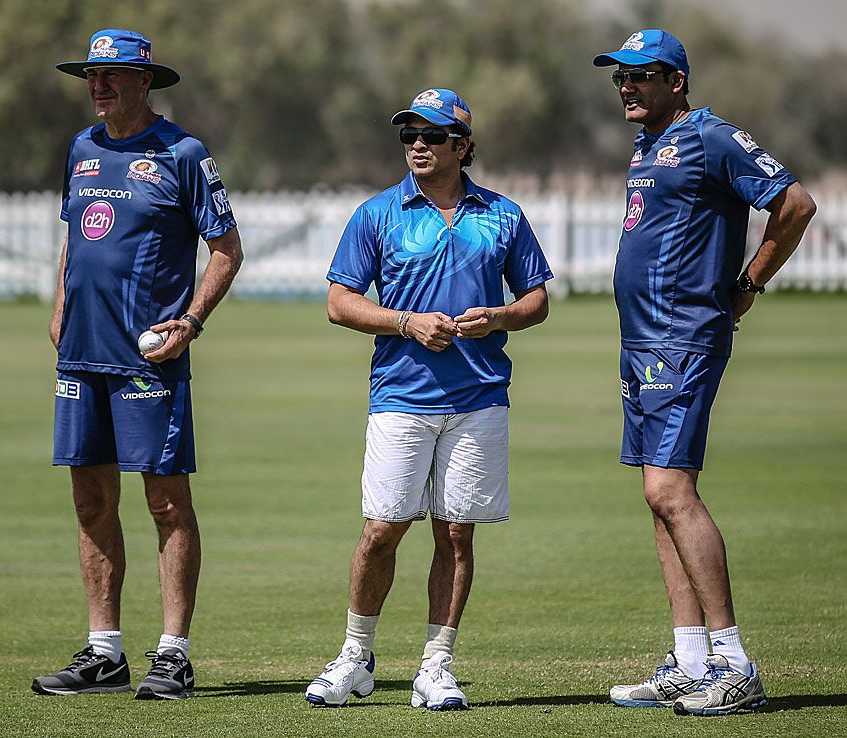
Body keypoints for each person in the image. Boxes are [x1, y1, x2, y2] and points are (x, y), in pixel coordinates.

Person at [304, 88, 552, 710]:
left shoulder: (503, 215)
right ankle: (355, 657)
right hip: (401, 397)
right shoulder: (377, 214)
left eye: (433, 136)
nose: (418, 144)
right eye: (409, 135)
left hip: (480, 397)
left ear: (463, 147)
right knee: (382, 530)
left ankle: (436, 667)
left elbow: (537, 300)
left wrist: (498, 317)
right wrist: (407, 322)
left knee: (457, 535)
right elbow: (340, 302)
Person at [593, 30, 816, 716]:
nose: (627, 86)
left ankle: (734, 663)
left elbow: (795, 204)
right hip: (644, 343)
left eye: (642, 75)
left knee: (671, 491)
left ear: (677, 81)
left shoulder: (712, 137)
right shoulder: (648, 144)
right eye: (620, 77)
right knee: (658, 497)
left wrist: (750, 281)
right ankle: (692, 661)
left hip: (683, 339)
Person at [32, 29, 243, 700]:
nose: (98, 86)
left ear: (145, 81)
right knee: (90, 498)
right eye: (91, 75)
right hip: (81, 354)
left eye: (113, 75)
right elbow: (75, 232)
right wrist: (62, 299)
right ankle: (104, 652)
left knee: (164, 500)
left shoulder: (183, 153)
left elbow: (228, 249)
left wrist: (193, 320)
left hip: (148, 360)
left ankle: (174, 654)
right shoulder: (82, 149)